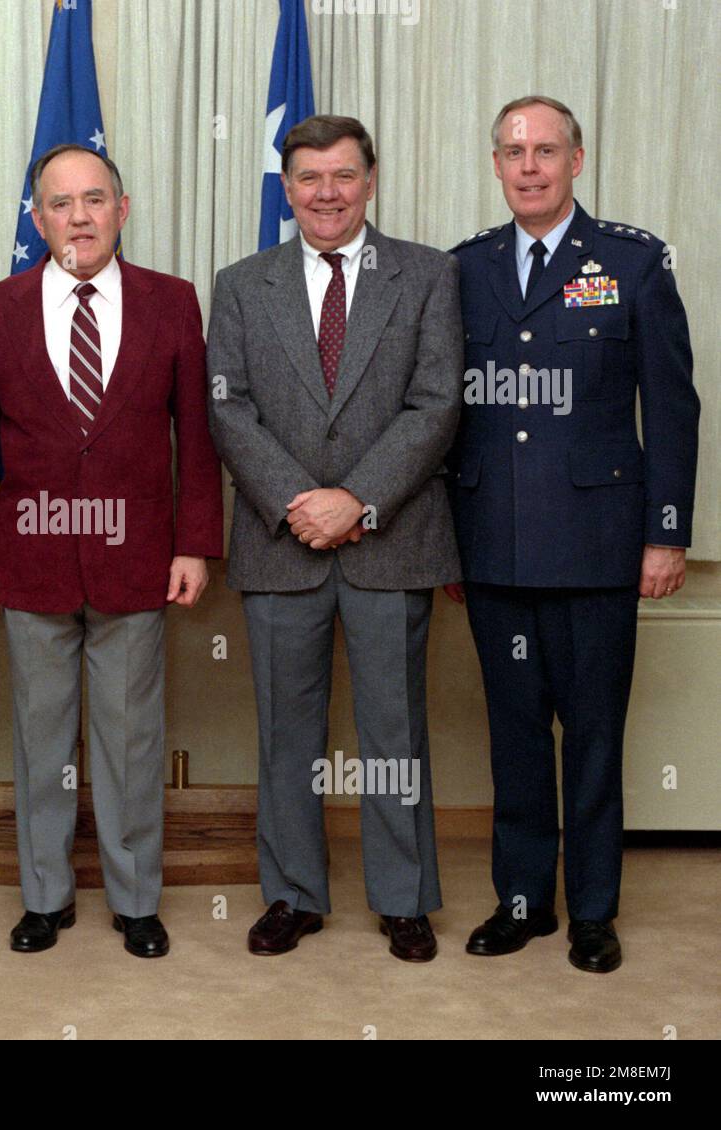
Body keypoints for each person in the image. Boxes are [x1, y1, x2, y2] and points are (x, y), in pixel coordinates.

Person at [0, 144, 223, 958]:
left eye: (94, 200)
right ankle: (45, 898)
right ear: (37, 219)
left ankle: (136, 900)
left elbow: (197, 441)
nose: (79, 217)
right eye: (60, 204)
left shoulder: (172, 303)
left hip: (138, 558)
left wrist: (195, 544)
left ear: (122, 209)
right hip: (27, 561)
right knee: (40, 739)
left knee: (133, 737)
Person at [448, 95, 700, 974]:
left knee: (593, 732)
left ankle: (593, 910)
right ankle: (523, 903)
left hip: (597, 542)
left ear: (576, 161)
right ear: (495, 165)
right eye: (513, 151)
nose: (529, 166)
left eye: (545, 150)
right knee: (514, 732)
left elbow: (671, 405)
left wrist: (666, 532)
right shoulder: (466, 268)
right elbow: (448, 415)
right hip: (493, 544)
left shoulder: (632, 262)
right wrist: (448, 538)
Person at [207, 115, 463, 963]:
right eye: (309, 177)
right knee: (286, 731)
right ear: (287, 188)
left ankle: (403, 897)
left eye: (343, 175)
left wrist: (355, 499)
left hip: (391, 538)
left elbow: (436, 405)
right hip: (280, 544)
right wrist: (296, 501)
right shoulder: (243, 284)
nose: (326, 192)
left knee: (395, 733)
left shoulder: (427, 276)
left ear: (371, 180)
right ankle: (292, 895)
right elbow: (228, 407)